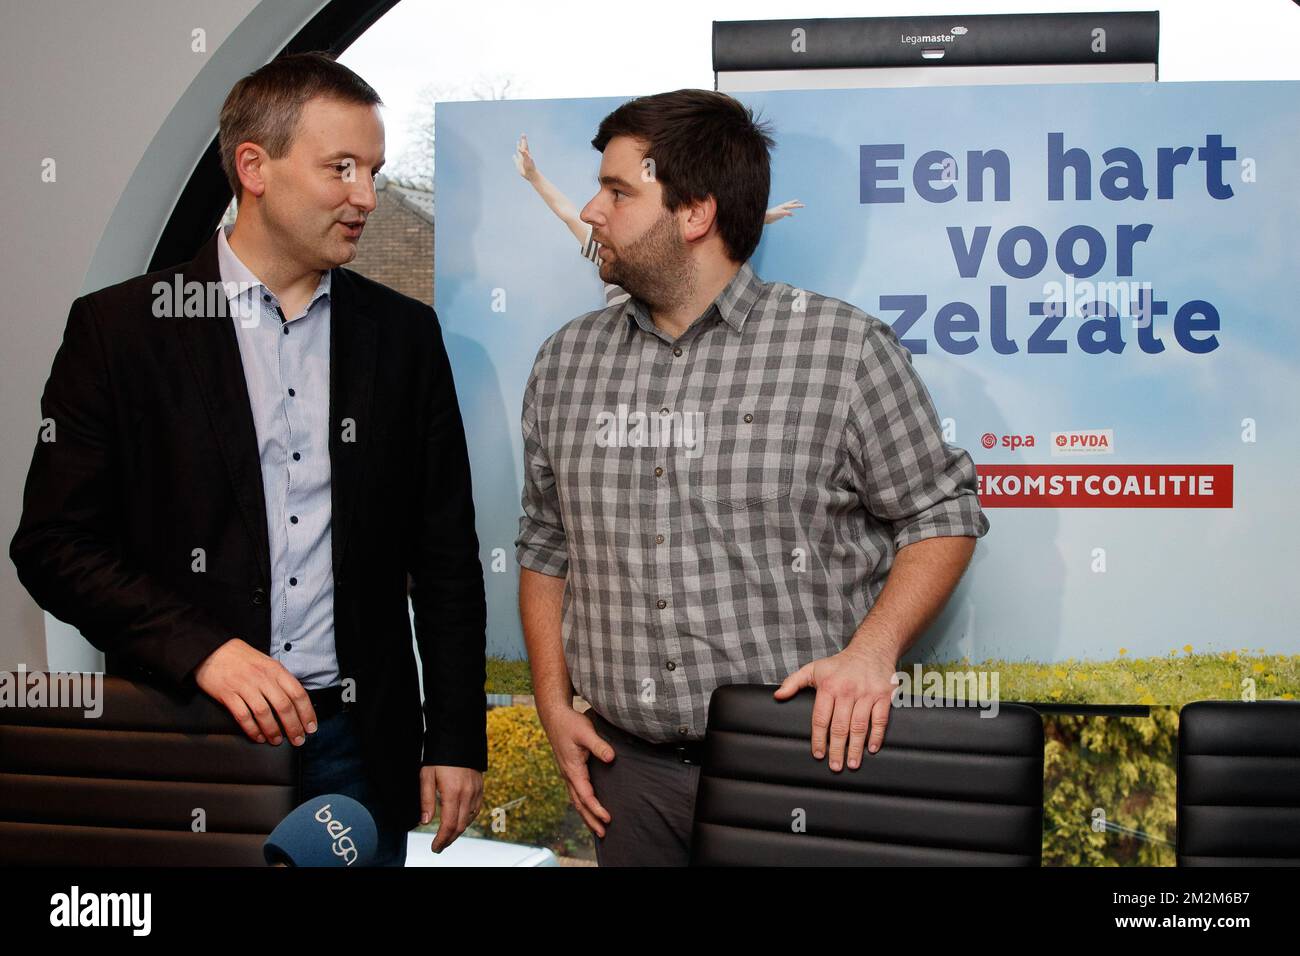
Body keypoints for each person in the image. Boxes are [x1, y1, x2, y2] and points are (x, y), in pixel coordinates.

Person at [10, 52, 487, 866]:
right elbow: (54, 546)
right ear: (254, 167)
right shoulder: (122, 332)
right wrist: (203, 648)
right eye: (341, 167)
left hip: (356, 749)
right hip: (183, 739)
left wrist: (455, 736)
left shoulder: (405, 338)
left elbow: (444, 557)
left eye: (372, 170)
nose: (366, 196)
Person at [514, 89, 989, 866]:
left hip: (800, 771)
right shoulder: (565, 363)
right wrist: (550, 699)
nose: (593, 211)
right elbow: (545, 541)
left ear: (695, 213)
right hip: (624, 778)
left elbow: (942, 511)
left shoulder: (843, 351)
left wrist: (872, 653)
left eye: (619, 191)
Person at [512, 131, 802, 308]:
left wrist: (762, 217)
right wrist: (534, 176)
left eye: (620, 194)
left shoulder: (667, 255)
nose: (593, 213)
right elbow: (567, 213)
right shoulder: (609, 255)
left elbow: (698, 222)